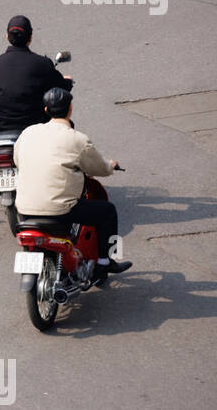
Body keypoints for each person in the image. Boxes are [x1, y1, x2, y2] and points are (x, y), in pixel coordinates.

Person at [14, 88, 132, 282]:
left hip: (24, 209)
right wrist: (110, 166)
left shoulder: (28, 133)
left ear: (46, 110)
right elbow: (98, 169)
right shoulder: (77, 139)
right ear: (70, 109)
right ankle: (105, 262)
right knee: (107, 212)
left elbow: (17, 160)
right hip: (61, 210)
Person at [0, 14, 70, 141]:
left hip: (1, 129)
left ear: (7, 36)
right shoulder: (43, 64)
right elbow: (60, 88)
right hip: (36, 127)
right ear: (30, 38)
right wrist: (67, 82)